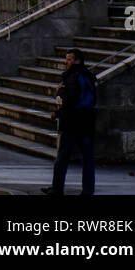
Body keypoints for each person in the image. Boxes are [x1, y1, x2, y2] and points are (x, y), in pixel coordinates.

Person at [43, 49, 97, 196]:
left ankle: (57, 188)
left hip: (71, 123)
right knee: (88, 160)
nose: (66, 62)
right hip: (87, 122)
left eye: (69, 59)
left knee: (62, 158)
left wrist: (60, 92)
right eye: (66, 59)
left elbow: (69, 100)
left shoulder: (73, 77)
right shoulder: (89, 76)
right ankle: (88, 190)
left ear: (77, 60)